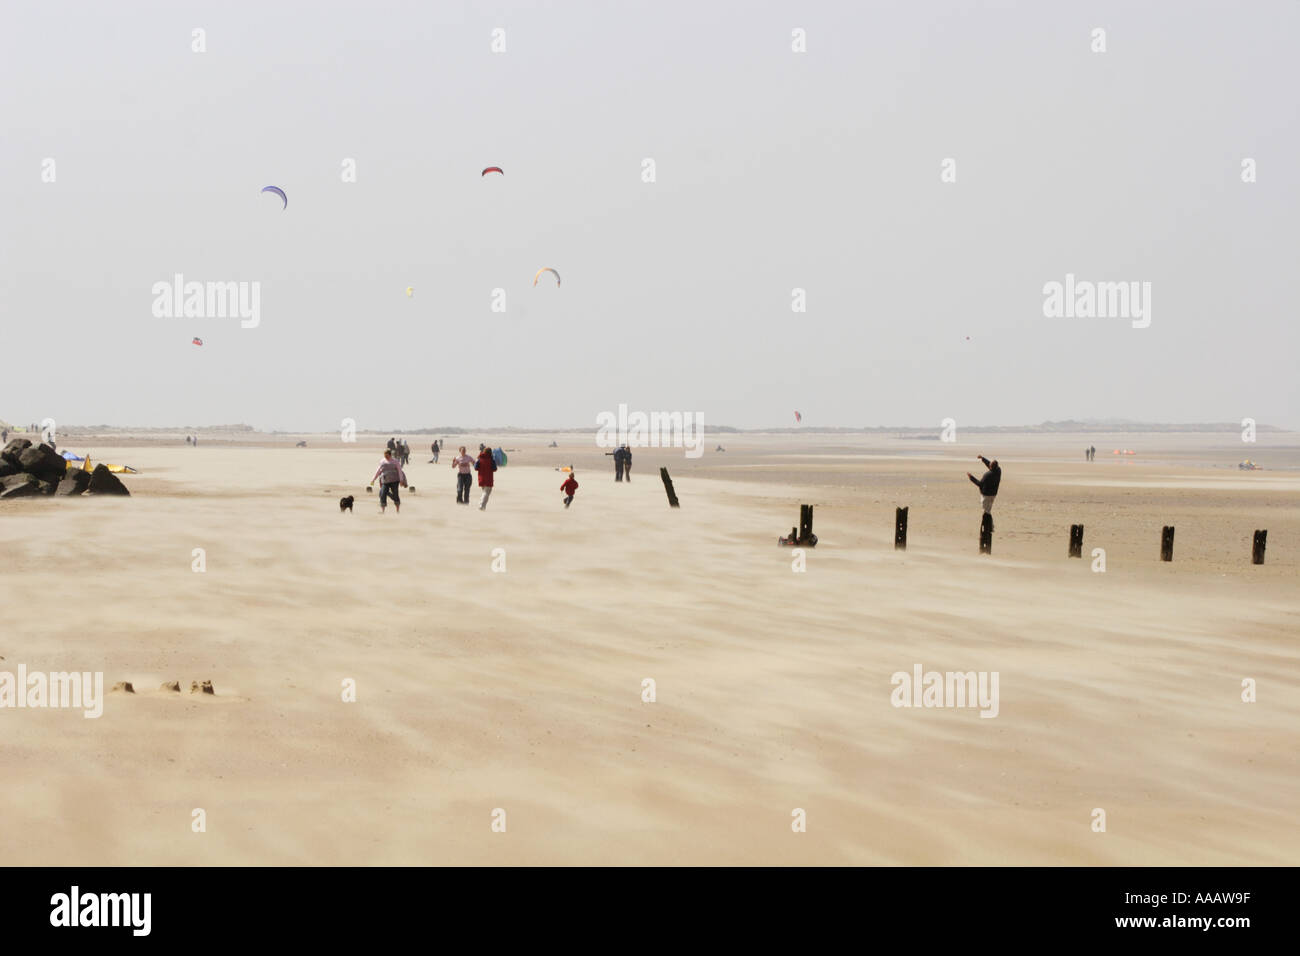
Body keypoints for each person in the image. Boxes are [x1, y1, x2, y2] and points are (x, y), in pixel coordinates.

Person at [966, 455, 1002, 530]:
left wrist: (971, 477)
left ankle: (989, 526)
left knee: (986, 511)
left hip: (986, 495)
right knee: (988, 510)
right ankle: (988, 526)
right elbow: (991, 464)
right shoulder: (998, 470)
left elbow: (979, 484)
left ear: (991, 467)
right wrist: (983, 459)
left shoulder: (987, 475)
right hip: (993, 494)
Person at [371, 448, 407, 514]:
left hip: (395, 481)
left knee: (395, 494)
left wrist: (401, 480)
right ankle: (382, 511)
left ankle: (397, 510)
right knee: (382, 494)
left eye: (387, 456)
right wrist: (373, 479)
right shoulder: (382, 461)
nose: (386, 457)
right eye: (385, 456)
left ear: (390, 455)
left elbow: (399, 471)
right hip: (385, 481)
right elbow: (378, 471)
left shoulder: (395, 461)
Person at [474, 444, 497, 509]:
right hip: (489, 479)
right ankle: (481, 505)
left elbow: (475, 468)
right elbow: (495, 469)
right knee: (486, 493)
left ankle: (483, 506)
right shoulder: (491, 460)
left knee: (485, 492)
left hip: (481, 478)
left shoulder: (479, 459)